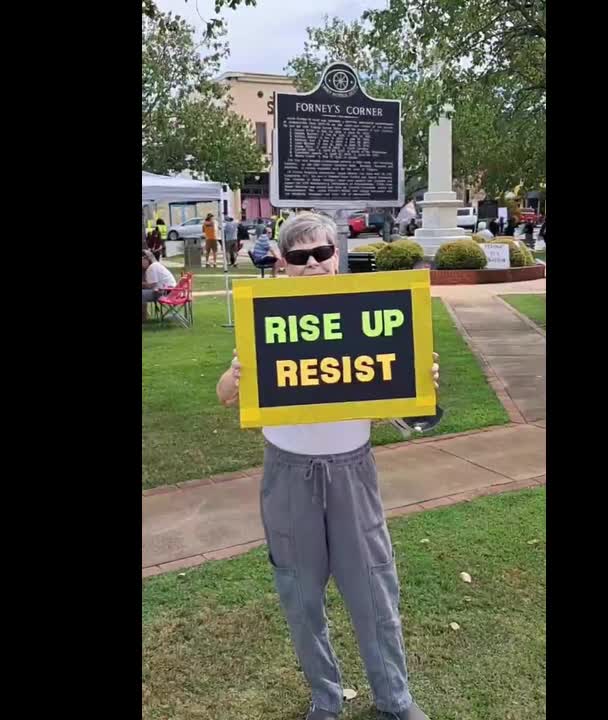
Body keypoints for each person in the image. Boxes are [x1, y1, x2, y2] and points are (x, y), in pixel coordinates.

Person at [215, 212, 438, 720]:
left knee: (373, 588)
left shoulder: (370, 312)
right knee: (300, 594)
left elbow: (406, 411)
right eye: (300, 256)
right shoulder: (264, 317)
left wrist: (419, 382)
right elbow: (225, 395)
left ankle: (395, 699)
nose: (313, 263)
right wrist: (235, 375)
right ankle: (325, 698)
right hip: (288, 474)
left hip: (352, 472)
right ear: (282, 263)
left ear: (337, 255)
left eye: (322, 253)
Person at [141, 250, 177, 317]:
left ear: (147, 259)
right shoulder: (156, 265)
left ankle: (143, 316)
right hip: (172, 291)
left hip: (165, 292)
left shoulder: (152, 267)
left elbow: (151, 285)